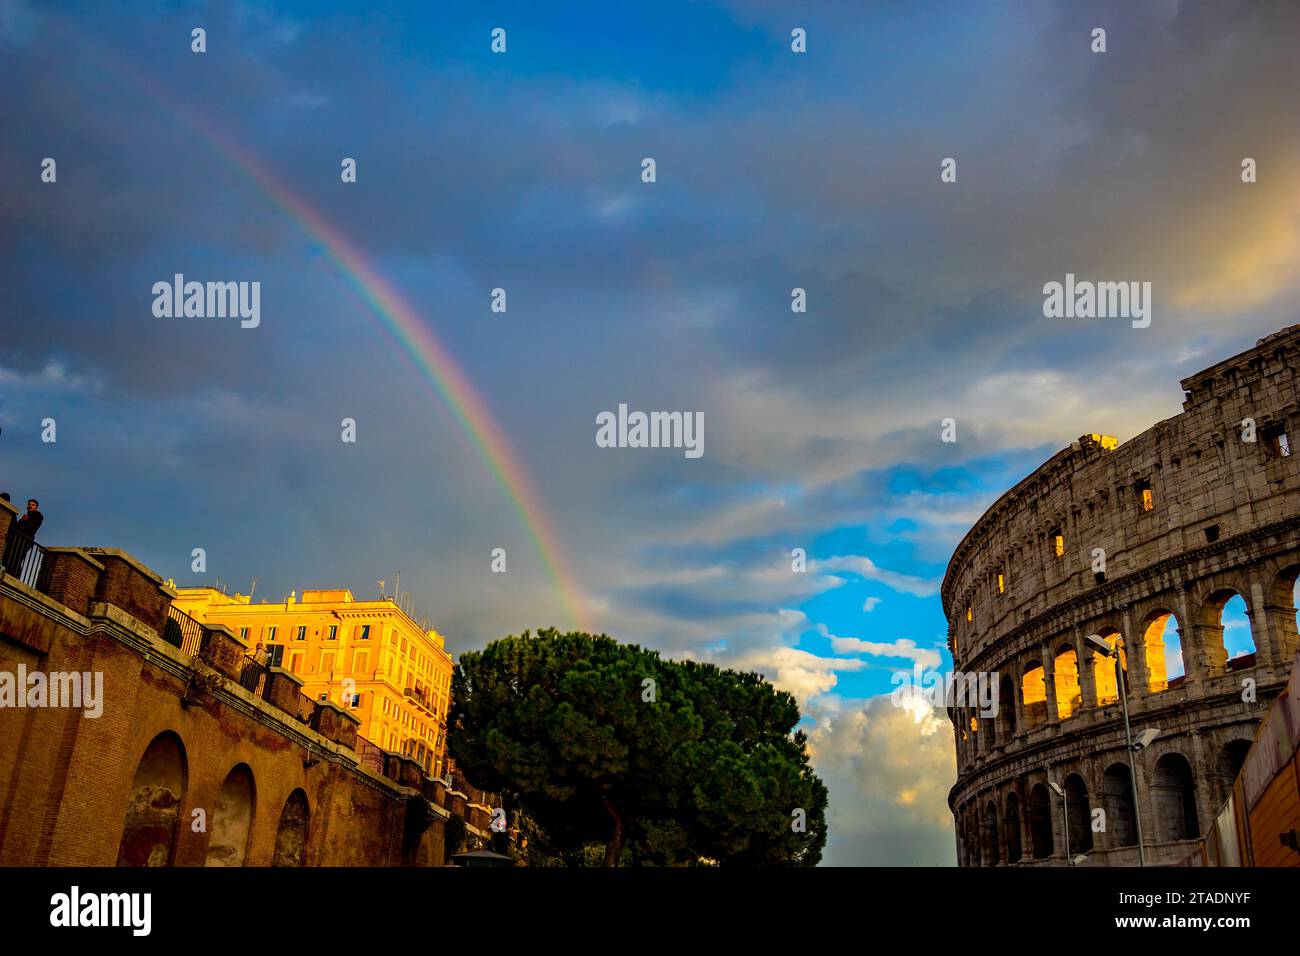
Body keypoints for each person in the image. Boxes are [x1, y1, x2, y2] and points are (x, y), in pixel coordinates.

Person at [5, 499, 43, 576]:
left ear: (36, 507)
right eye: (29, 504)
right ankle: (8, 572)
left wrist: (23, 522)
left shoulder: (37, 515)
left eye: (33, 505)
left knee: (16, 558)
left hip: (24, 540)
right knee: (10, 556)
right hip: (17, 539)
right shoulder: (26, 516)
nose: (30, 506)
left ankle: (14, 576)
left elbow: (31, 527)